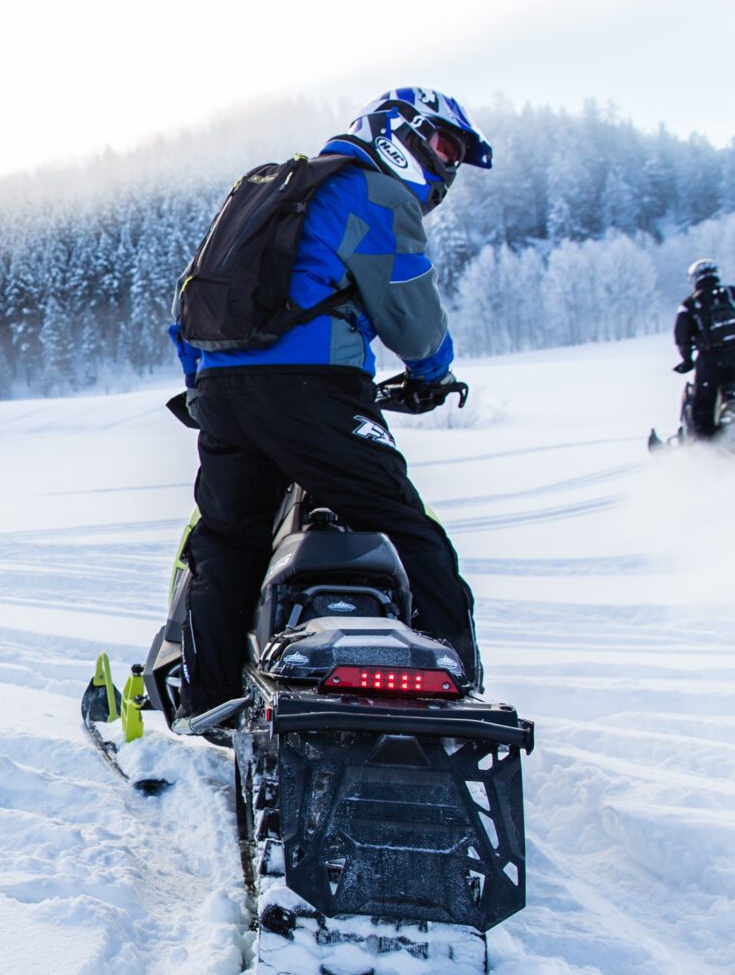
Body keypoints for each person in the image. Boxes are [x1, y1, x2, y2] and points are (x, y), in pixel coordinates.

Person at [165, 88, 492, 722]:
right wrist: (432, 373)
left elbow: (190, 304)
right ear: (401, 132)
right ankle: (455, 697)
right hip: (313, 393)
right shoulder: (373, 190)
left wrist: (204, 383)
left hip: (223, 395)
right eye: (446, 148)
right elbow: (413, 318)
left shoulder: (264, 190)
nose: (446, 168)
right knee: (409, 533)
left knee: (229, 542)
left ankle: (208, 706)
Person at [672, 260, 735, 440]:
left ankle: (705, 447)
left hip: (709, 361)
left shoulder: (689, 305)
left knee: (703, 407)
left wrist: (687, 359)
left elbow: (681, 336)